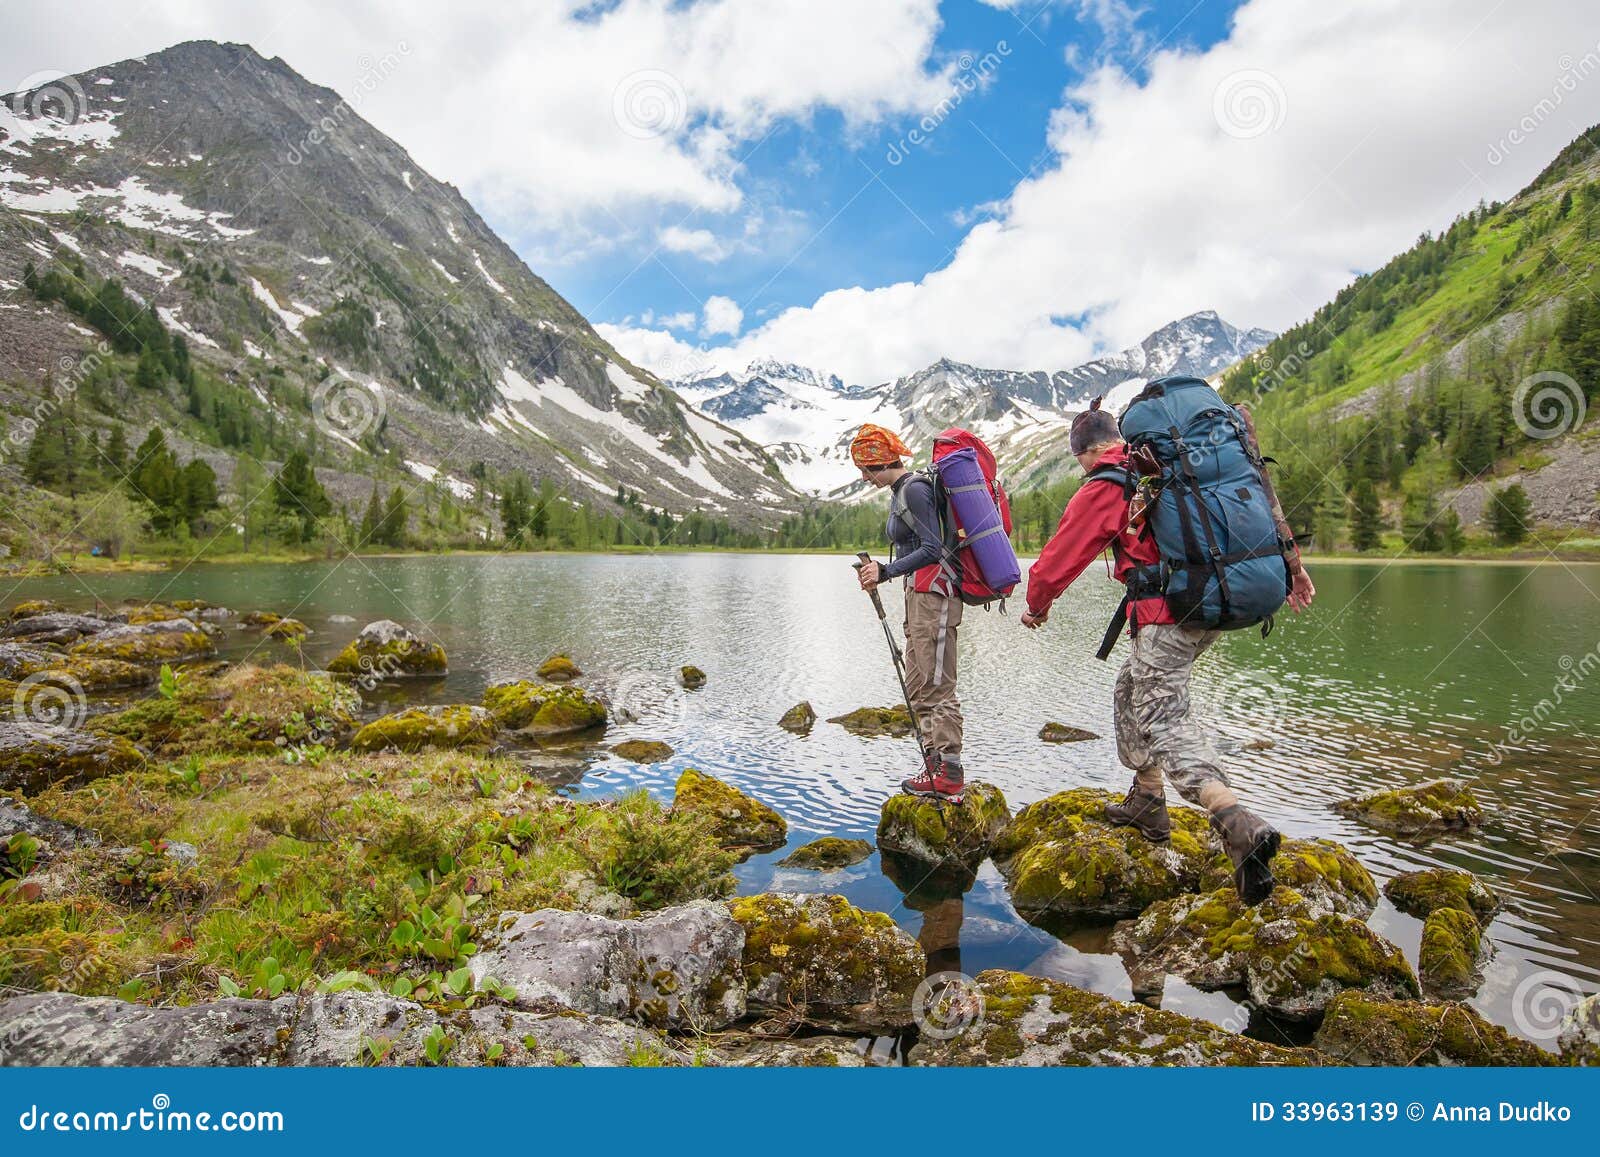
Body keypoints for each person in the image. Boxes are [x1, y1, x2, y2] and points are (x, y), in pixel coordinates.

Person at [1020, 406, 1316, 905]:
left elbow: (1061, 556)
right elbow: (1266, 500)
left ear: (1087, 452)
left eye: (1079, 461)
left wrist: (1037, 606)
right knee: (1131, 687)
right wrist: (1295, 567)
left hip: (1167, 612)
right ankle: (1147, 798)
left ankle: (1235, 821)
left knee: (1162, 713)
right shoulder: (1175, 465)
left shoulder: (1109, 481)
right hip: (1216, 602)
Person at [851, 423, 967, 802]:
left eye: (864, 471)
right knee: (918, 680)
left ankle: (949, 770)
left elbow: (934, 547)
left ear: (876, 464)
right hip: (919, 593)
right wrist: (884, 574)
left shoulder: (914, 489)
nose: (864, 479)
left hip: (934, 592)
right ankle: (933, 765)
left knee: (936, 682)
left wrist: (885, 571)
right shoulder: (902, 490)